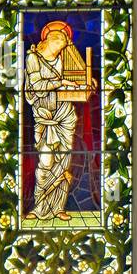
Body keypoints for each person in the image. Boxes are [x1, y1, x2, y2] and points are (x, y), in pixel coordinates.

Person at [24, 20, 93, 221]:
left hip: (64, 115)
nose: (61, 49)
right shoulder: (33, 59)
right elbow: (36, 84)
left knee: (63, 163)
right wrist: (61, 81)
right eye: (59, 45)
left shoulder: (63, 59)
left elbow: (77, 76)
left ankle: (58, 208)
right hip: (45, 116)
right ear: (50, 41)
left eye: (63, 46)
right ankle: (39, 206)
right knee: (46, 162)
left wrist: (89, 81)